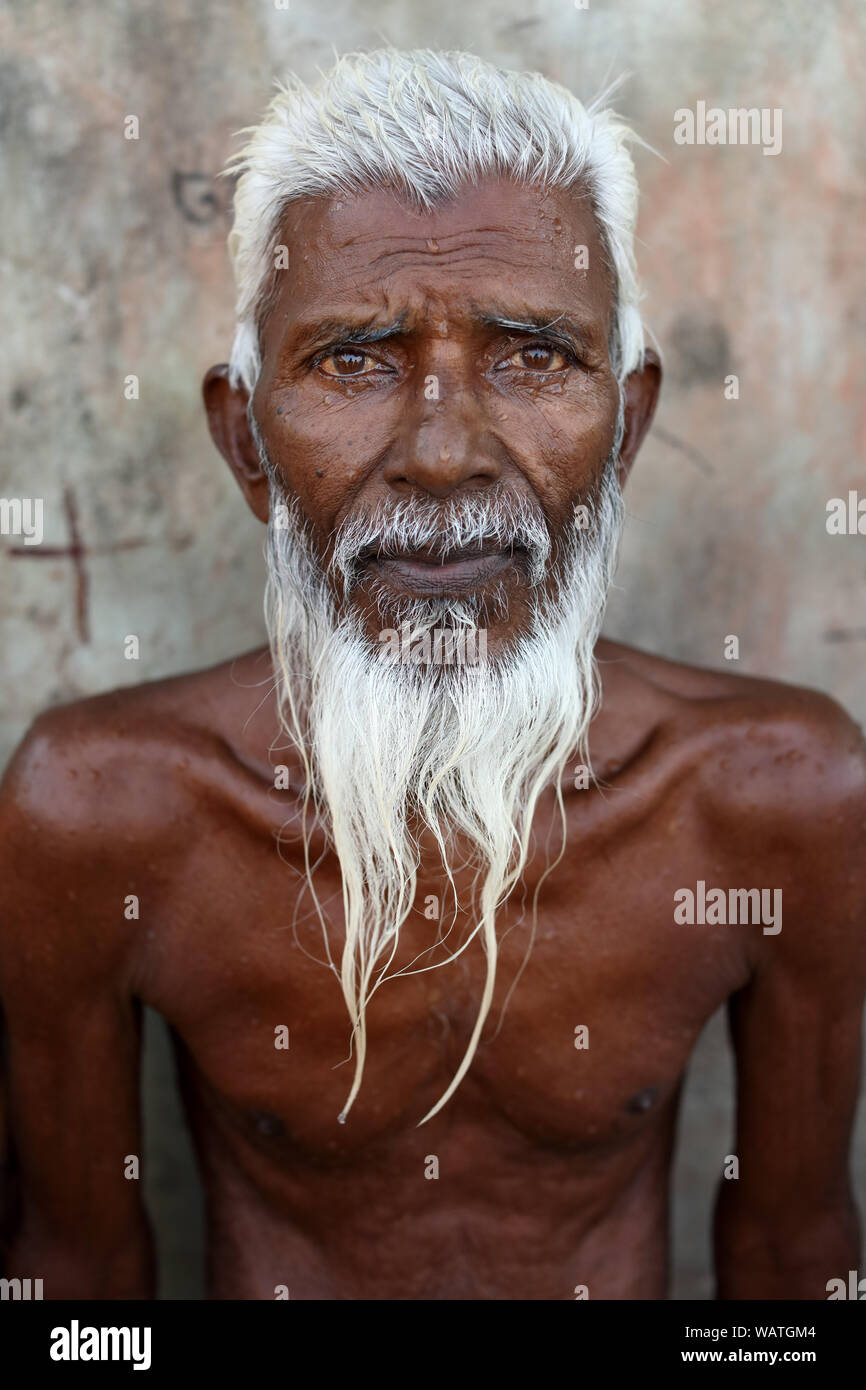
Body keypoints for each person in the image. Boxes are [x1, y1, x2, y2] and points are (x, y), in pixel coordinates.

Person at [2, 49, 864, 1300]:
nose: (445, 454)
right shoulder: (98, 815)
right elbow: (71, 1285)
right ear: (246, 439)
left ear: (624, 426)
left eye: (531, 356)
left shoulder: (779, 798)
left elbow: (794, 1263)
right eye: (354, 359)